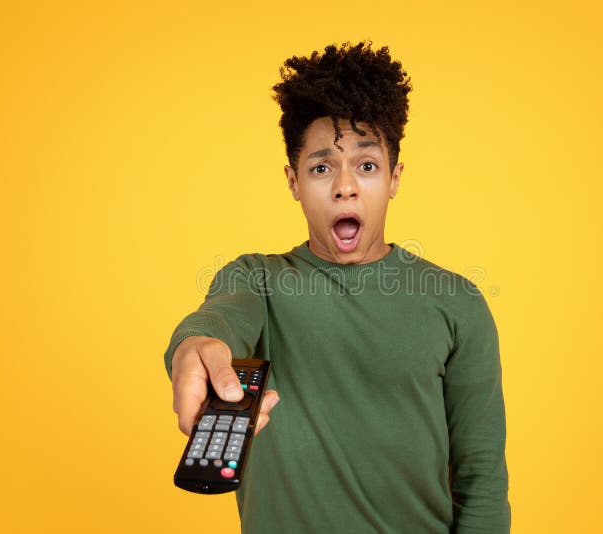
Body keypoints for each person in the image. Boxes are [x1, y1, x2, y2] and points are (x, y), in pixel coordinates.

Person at [164, 41, 511, 533]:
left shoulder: (458, 303)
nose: (344, 186)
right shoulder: (255, 279)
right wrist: (194, 346)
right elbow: (218, 319)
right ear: (293, 182)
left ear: (394, 177)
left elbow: (482, 482)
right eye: (322, 167)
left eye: (366, 166)